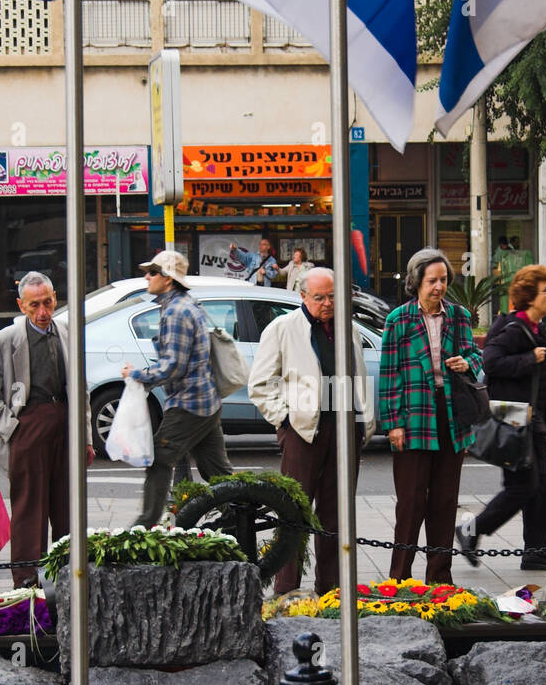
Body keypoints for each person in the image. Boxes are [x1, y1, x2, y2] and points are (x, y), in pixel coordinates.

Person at [248, 267, 374, 595]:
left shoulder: (349, 329)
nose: (328, 303)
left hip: (345, 429)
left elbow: (359, 376)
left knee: (335, 515)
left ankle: (331, 589)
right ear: (303, 296)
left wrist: (365, 422)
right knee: (294, 512)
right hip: (303, 433)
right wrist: (284, 420)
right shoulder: (283, 328)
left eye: (333, 296)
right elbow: (260, 384)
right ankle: (286, 588)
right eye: (319, 297)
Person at [0, 271, 94, 587]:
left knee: (67, 506)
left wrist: (85, 437)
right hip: (27, 427)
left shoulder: (68, 332)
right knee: (29, 508)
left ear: (55, 298)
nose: (42, 312)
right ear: (21, 305)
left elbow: (80, 389)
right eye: (34, 306)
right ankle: (26, 582)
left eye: (47, 303)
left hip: (65, 424)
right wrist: (13, 429)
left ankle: (69, 575)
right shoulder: (3, 341)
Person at [379, 247, 484, 584]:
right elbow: (388, 375)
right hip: (413, 417)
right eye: (431, 281)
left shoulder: (458, 316)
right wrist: (392, 423)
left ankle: (440, 579)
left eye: (443, 280)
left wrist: (468, 363)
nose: (439, 286)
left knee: (444, 502)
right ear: (416, 282)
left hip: (451, 415)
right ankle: (400, 579)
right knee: (410, 504)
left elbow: (475, 355)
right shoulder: (398, 320)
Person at [456, 265, 546, 572]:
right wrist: (529, 359)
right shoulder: (514, 329)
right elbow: (490, 361)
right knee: (522, 486)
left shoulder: (535, 327)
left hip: (532, 421)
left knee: (541, 486)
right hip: (515, 423)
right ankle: (472, 529)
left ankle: (536, 552)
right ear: (529, 296)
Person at [122, 250, 234, 527]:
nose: (146, 276)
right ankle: (240, 513)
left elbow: (174, 365)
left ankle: (144, 526)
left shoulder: (176, 312)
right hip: (205, 402)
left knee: (159, 460)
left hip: (189, 404)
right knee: (217, 471)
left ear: (168, 279)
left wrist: (137, 375)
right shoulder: (184, 304)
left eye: (153, 272)